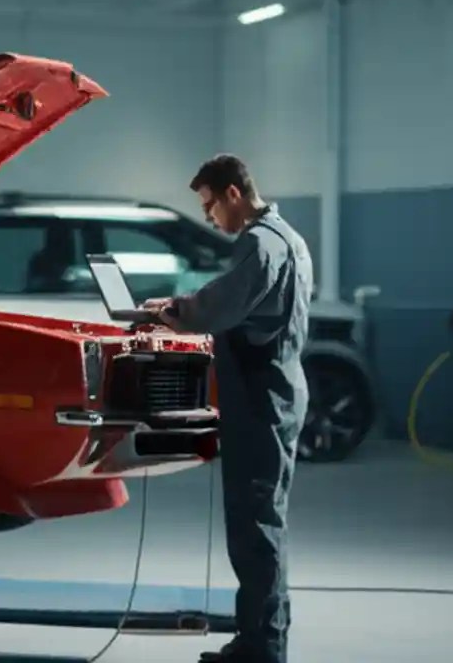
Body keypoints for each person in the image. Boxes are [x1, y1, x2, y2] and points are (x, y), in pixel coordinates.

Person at [143, 154, 313, 663]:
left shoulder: (260, 243)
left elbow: (222, 306)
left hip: (261, 398)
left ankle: (261, 648)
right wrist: (184, 306)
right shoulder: (288, 238)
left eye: (210, 205)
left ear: (233, 193)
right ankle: (261, 640)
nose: (209, 217)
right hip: (275, 391)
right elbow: (241, 301)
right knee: (262, 521)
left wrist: (175, 312)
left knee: (255, 526)